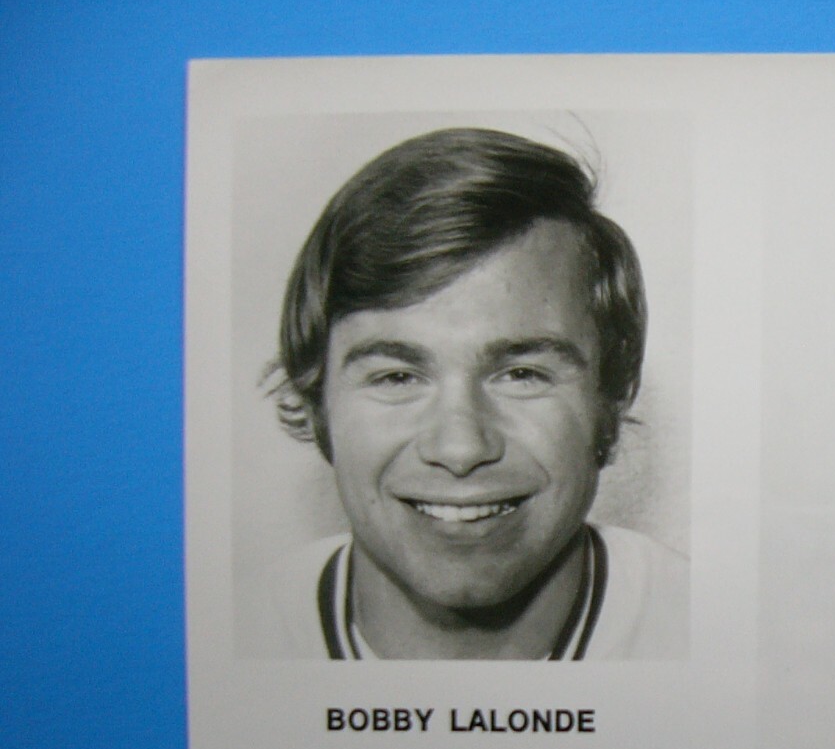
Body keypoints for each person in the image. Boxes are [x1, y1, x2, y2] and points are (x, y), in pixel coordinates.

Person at [261, 127, 687, 660]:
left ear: (613, 397)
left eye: (523, 374)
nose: (461, 450)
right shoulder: (231, 640)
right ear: (313, 402)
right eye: (397, 377)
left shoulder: (709, 632)